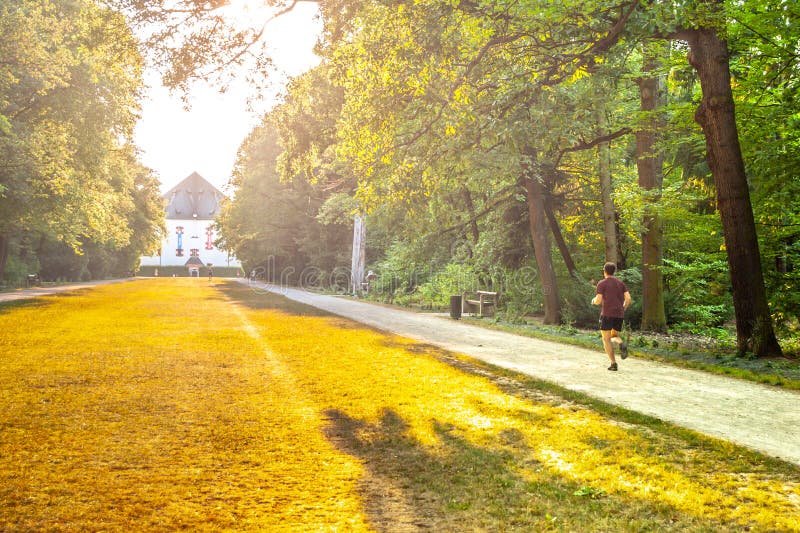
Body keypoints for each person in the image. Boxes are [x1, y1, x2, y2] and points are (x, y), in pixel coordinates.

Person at [591, 262, 632, 371]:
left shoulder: (602, 283)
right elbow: (628, 298)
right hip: (619, 314)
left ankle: (613, 364)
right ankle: (621, 343)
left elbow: (598, 300)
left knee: (606, 339)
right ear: (614, 272)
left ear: (604, 271)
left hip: (607, 314)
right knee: (614, 336)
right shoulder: (620, 283)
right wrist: (623, 308)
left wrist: (593, 301)